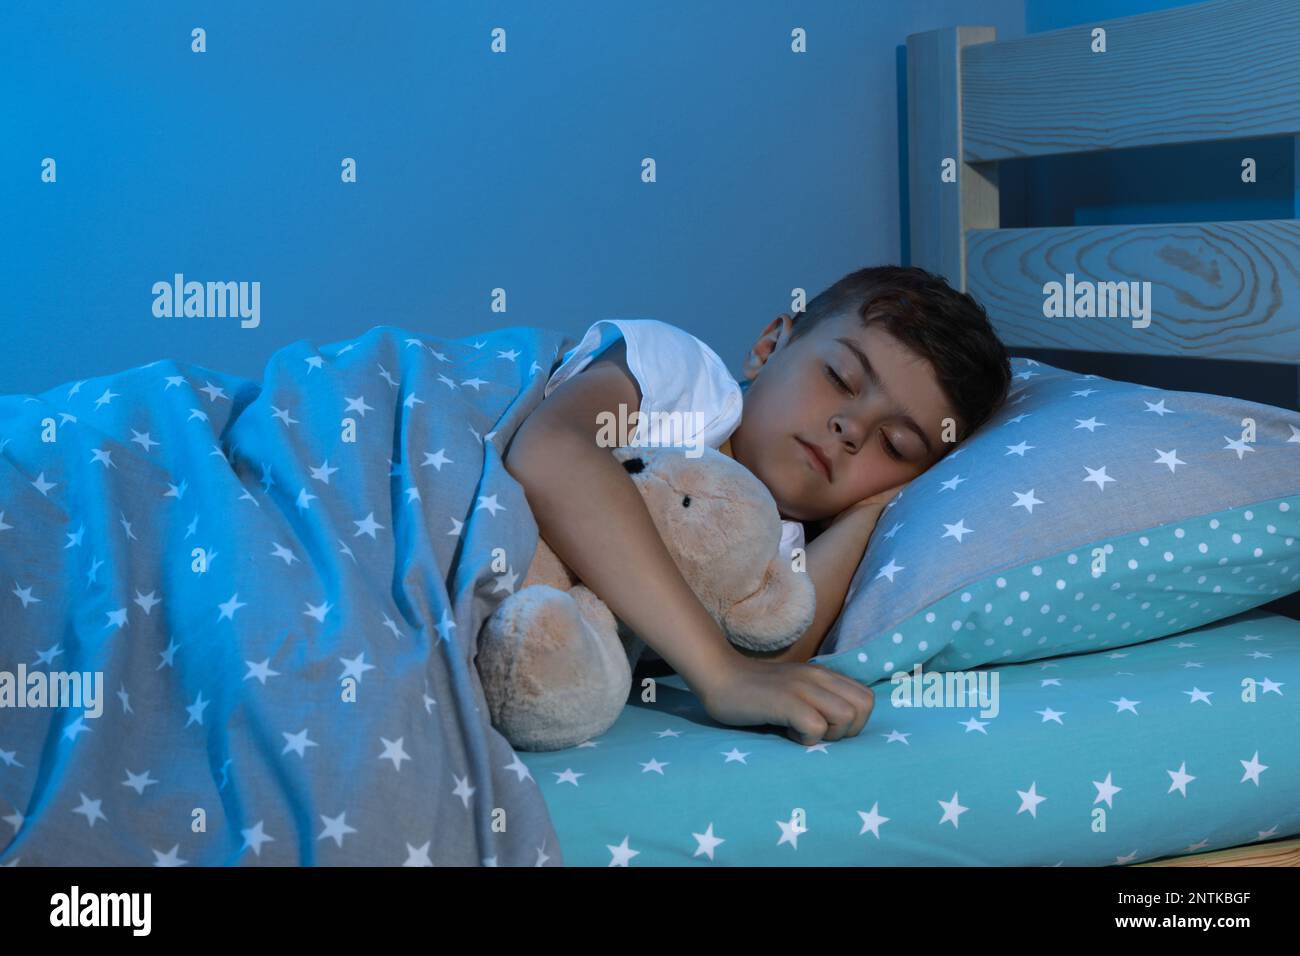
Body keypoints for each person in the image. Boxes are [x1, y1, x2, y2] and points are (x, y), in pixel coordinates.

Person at [502, 265, 1011, 745]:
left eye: (895, 445)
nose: (852, 429)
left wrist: (870, 513)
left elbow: (772, 655)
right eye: (839, 378)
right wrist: (718, 672)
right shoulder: (687, 381)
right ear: (769, 348)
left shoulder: (775, 550)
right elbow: (551, 452)